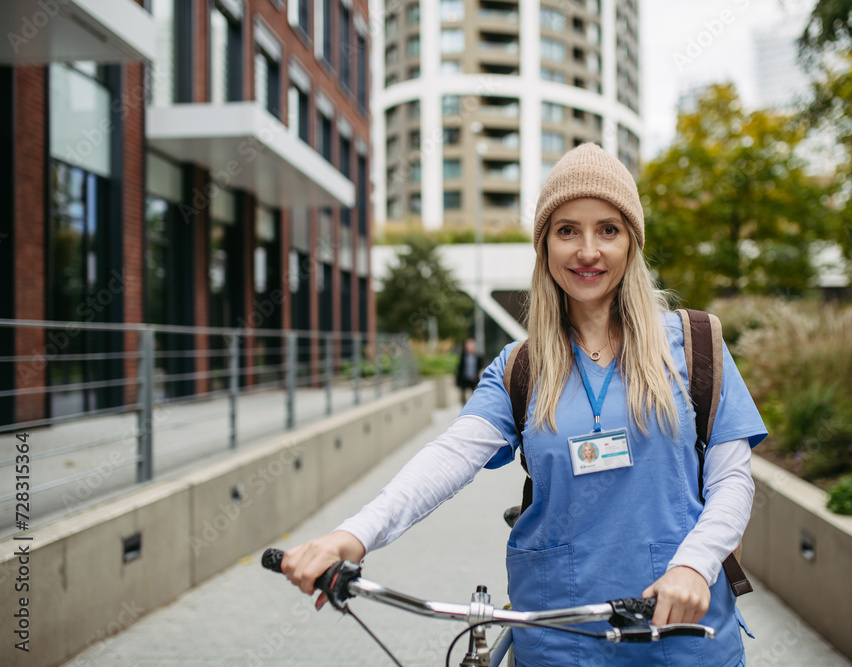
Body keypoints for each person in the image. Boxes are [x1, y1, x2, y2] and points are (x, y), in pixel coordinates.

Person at [282, 143, 767, 666]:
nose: (587, 250)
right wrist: (353, 535)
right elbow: (449, 458)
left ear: (632, 243)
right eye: (566, 230)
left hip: (683, 635)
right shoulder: (521, 368)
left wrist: (695, 565)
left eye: (608, 229)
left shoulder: (696, 345)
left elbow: (732, 482)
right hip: (559, 639)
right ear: (544, 248)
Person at [455, 337, 484, 403]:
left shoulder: (478, 357)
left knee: (474, 395)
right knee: (464, 396)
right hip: (464, 379)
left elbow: (480, 368)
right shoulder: (463, 356)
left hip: (474, 379)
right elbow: (459, 369)